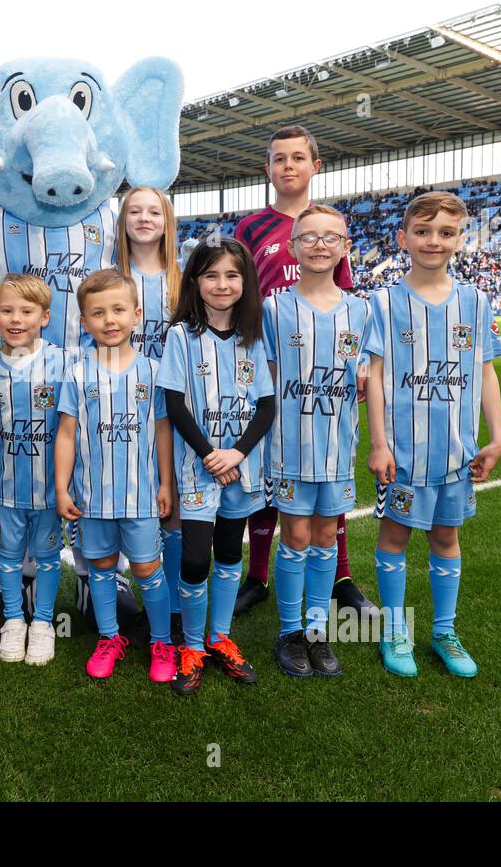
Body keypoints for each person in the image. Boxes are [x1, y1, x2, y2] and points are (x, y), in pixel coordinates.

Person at [232, 124, 375, 622]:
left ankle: (340, 576)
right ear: (268, 169)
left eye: (298, 157)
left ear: (316, 165)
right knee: (275, 475)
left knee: (326, 472)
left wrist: (354, 363)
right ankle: (258, 576)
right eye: (278, 159)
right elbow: (242, 293)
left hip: (327, 371)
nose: (288, 166)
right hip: (276, 365)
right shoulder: (251, 227)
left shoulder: (330, 227)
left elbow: (349, 298)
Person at [364, 192, 501, 678]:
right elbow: (376, 377)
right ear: (403, 238)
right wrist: (379, 443)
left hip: (457, 453)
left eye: (446, 232)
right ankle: (395, 630)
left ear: (460, 240)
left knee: (447, 537)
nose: (434, 240)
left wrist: (497, 436)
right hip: (403, 454)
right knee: (396, 535)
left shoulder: (476, 301)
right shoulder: (382, 300)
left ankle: (445, 631)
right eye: (423, 232)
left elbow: (486, 371)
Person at [155, 238, 276, 697]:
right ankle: (191, 646)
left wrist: (237, 453)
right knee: (193, 557)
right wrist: (211, 454)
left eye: (231, 275)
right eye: (211, 275)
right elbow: (174, 403)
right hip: (198, 468)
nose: (222, 284)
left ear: (245, 282)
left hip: (241, 468)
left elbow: (265, 406)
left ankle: (220, 637)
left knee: (229, 552)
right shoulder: (181, 336)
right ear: (195, 282)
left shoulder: (252, 337)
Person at [262, 206, 370, 679]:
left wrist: (366, 376)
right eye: (309, 237)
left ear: (345, 247)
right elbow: (264, 377)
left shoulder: (362, 309)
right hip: (289, 448)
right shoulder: (274, 308)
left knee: (327, 538)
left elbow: (369, 374)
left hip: (337, 448)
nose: (320, 245)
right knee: (296, 538)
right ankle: (289, 632)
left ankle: (315, 631)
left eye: (331, 237)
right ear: (292, 248)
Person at [56, 270, 177, 682]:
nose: (110, 320)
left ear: (137, 314)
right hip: (91, 498)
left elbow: (163, 430)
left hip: (141, 496)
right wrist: (61, 487)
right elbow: (67, 434)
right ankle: (109, 637)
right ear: (84, 322)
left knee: (146, 569)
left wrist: (165, 483)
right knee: (102, 566)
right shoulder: (76, 373)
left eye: (119, 310)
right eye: (98, 312)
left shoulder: (155, 371)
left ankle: (161, 641)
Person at [0, 274, 67, 665]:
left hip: (49, 489)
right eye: (6, 310)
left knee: (47, 557)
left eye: (26, 311)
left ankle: (43, 623)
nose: (15, 319)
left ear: (44, 316)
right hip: (7, 486)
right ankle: (14, 620)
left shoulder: (61, 361)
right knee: (8, 557)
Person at [115, 185, 184, 637]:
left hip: (175, 403)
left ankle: (175, 608)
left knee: (172, 495)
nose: (143, 218)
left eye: (153, 211)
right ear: (122, 221)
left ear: (167, 220)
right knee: (129, 493)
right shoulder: (111, 274)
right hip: (123, 402)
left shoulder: (183, 278)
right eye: (134, 210)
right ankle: (131, 598)